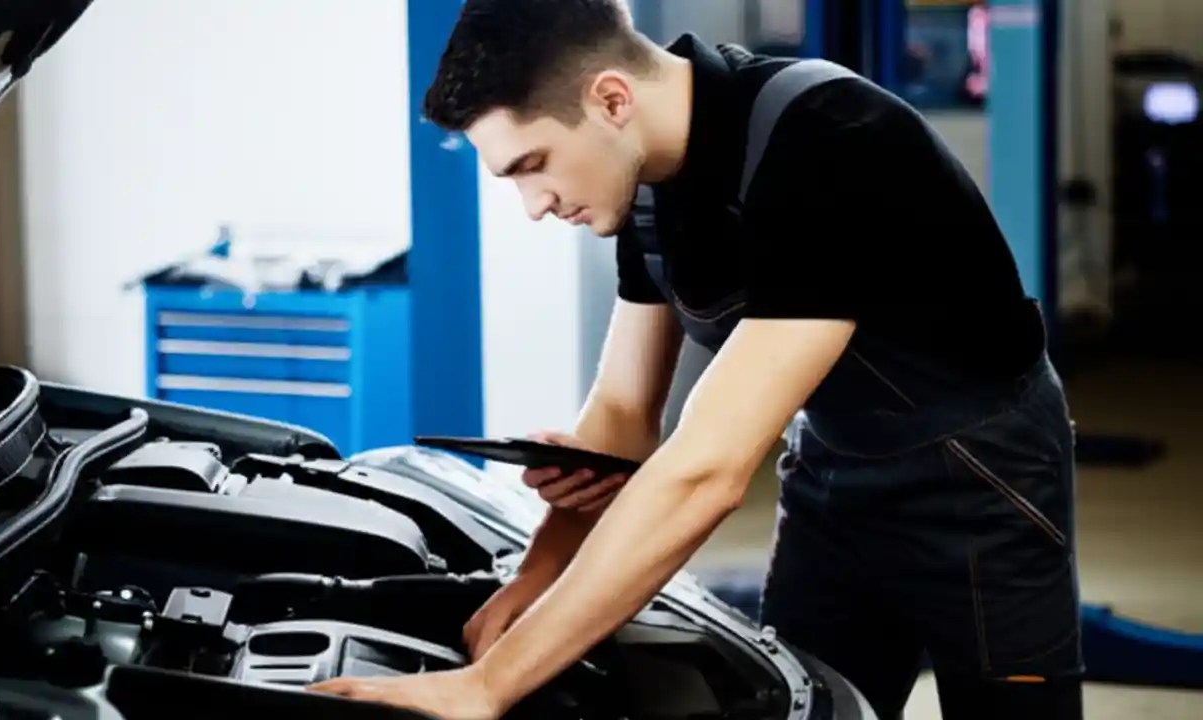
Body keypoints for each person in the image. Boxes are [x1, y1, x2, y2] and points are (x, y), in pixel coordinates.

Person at [307, 1, 1083, 718]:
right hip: (836, 477)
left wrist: (488, 688)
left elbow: (707, 471)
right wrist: (531, 586)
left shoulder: (826, 136)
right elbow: (619, 417)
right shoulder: (648, 183)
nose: (535, 204)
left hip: (980, 479)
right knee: (804, 700)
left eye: (532, 165)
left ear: (612, 99)